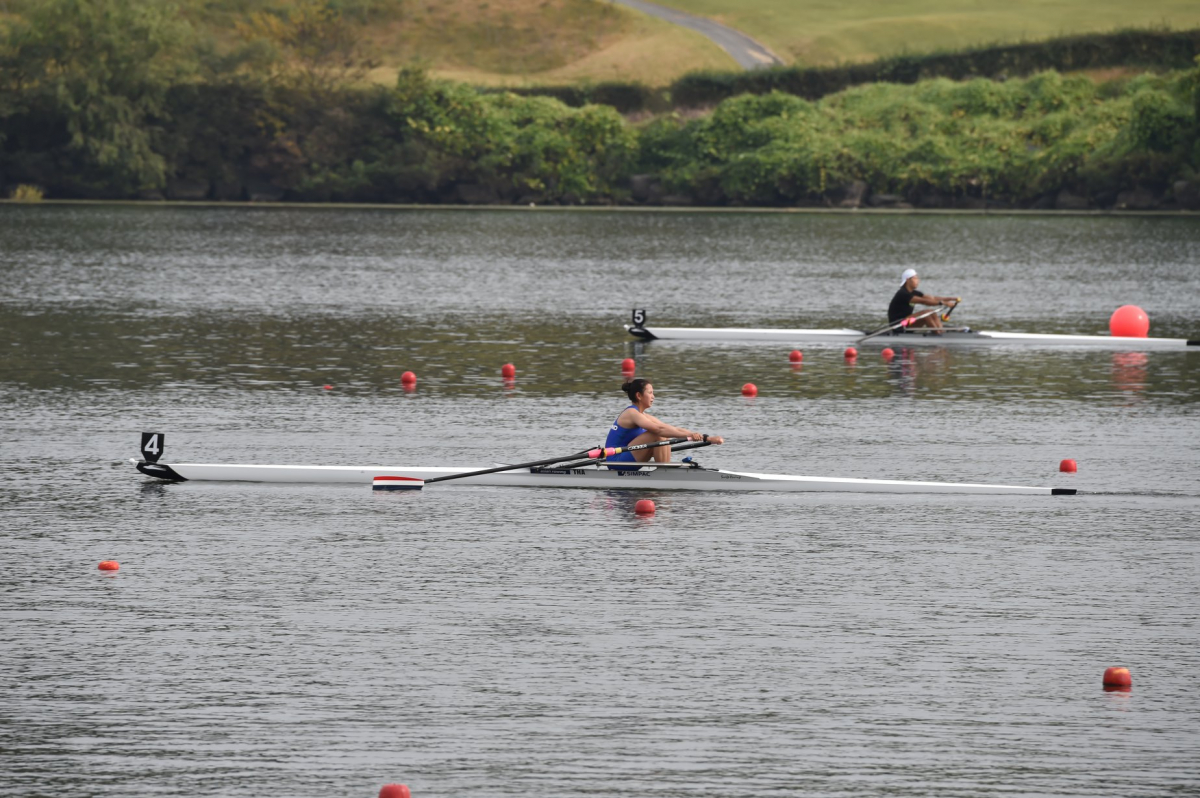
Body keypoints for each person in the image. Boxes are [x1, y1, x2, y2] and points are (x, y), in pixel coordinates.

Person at [604, 379, 724, 469]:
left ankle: (665, 469)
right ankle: (664, 471)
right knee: (658, 435)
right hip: (616, 460)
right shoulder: (631, 413)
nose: (653, 396)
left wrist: (702, 437)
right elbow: (659, 430)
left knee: (664, 434)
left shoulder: (643, 416)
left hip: (626, 458)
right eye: (650, 393)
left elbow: (670, 428)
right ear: (639, 396)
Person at [888, 268, 959, 331]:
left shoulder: (914, 292)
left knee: (932, 312)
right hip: (898, 324)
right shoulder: (903, 293)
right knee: (926, 313)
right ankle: (938, 335)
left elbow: (932, 298)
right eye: (915, 278)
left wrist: (951, 299)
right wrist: (943, 303)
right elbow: (924, 301)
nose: (918, 281)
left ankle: (940, 332)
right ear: (908, 280)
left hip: (907, 322)